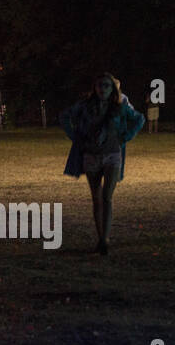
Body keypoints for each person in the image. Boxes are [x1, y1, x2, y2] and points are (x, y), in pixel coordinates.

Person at [60, 73, 146, 255]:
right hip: (91, 155)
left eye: (107, 86)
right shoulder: (84, 106)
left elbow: (139, 119)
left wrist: (126, 137)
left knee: (107, 196)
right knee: (96, 198)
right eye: (100, 85)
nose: (103, 89)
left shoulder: (119, 106)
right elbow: (64, 116)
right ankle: (101, 238)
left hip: (113, 155)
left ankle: (105, 238)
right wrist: (75, 136)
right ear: (95, 87)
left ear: (112, 88)